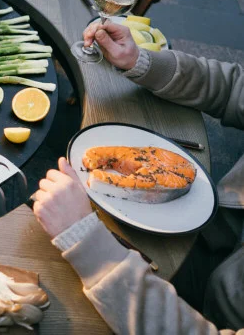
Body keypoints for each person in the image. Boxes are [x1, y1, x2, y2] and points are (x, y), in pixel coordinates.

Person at [31, 20, 244, 333]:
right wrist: (141, 62)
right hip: (219, 232)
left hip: (208, 312)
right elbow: (233, 88)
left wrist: (85, 240)